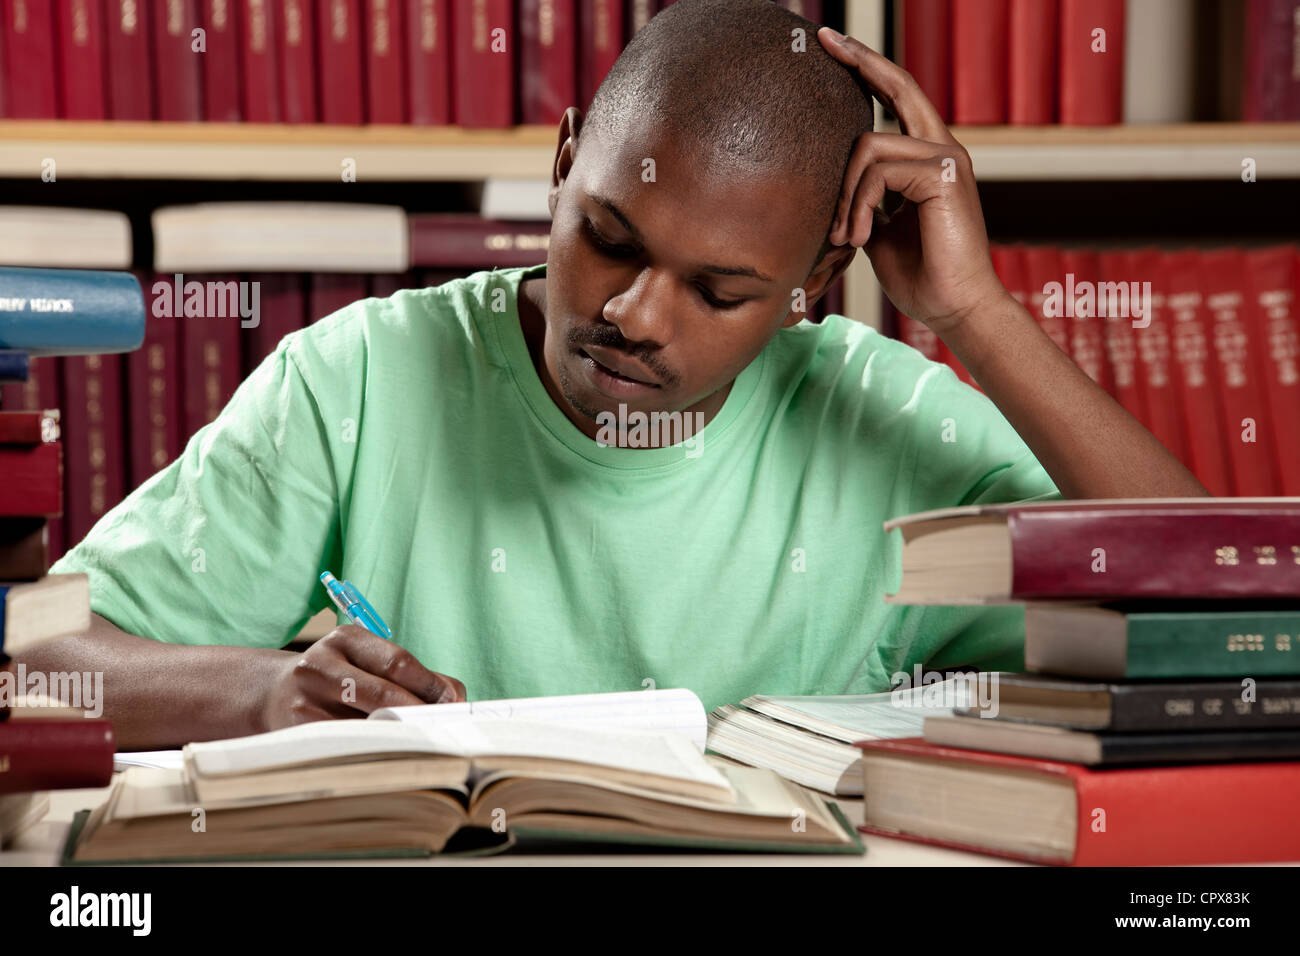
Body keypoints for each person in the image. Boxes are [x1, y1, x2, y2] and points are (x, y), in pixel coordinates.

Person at [35, 0, 1205, 749]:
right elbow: (37, 661)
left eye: (719, 291)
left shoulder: (883, 415)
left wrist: (976, 313)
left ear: (822, 271)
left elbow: (1225, 629)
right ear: (560, 163)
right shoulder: (357, 382)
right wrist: (260, 692)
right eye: (611, 236)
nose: (633, 317)